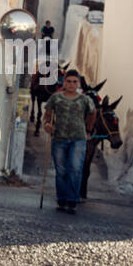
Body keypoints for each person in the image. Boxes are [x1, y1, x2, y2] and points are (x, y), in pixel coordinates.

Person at [43, 70, 94, 214]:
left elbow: (93, 112)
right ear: (64, 82)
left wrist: (88, 130)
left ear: (78, 84)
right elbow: (47, 116)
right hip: (59, 138)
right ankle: (61, 199)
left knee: (75, 169)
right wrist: (47, 125)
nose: (71, 84)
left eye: (75, 82)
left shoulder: (85, 100)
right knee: (61, 171)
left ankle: (72, 200)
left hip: (78, 139)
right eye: (69, 81)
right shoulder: (55, 98)